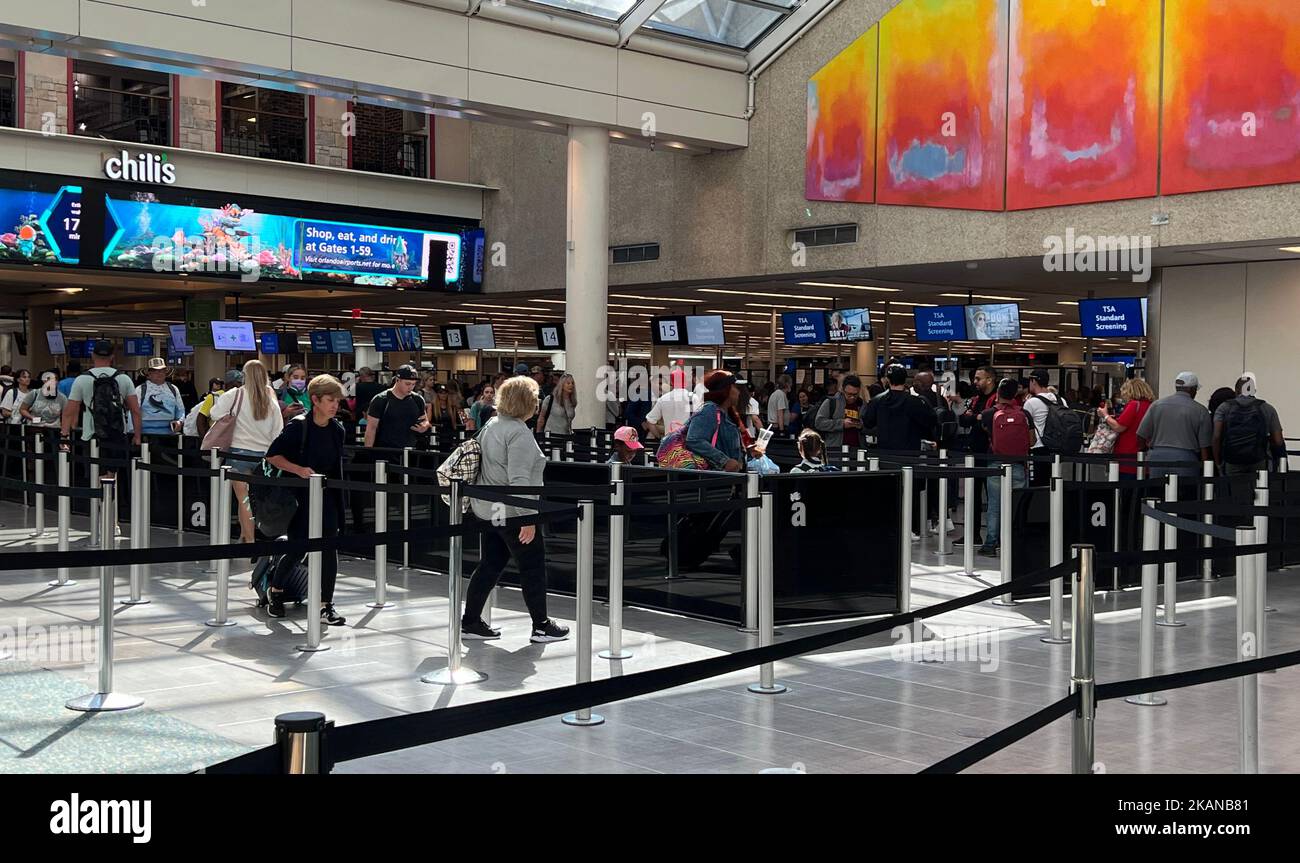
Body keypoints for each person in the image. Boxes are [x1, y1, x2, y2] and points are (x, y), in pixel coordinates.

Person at [459, 375, 570, 643]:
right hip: (513, 511)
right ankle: (541, 625)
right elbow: (520, 480)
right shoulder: (519, 432)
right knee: (532, 566)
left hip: (488, 509)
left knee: (490, 564)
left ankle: (471, 620)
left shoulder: (491, 425)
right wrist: (528, 519)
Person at [264, 375, 348, 625]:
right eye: (330, 400)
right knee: (298, 547)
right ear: (316, 400)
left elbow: (335, 466)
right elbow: (273, 456)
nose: (335, 405)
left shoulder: (337, 430)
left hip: (327, 496)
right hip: (300, 497)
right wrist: (298, 470)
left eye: (337, 401)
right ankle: (276, 591)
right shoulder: (298, 426)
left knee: (328, 549)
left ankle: (326, 604)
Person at [210, 360, 283, 548]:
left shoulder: (235, 395)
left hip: (239, 454)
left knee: (244, 500)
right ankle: (245, 534)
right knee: (257, 499)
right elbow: (278, 431)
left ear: (245, 375)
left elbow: (214, 413)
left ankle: (249, 541)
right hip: (264, 456)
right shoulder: (271, 399)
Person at [863, 367, 937, 538]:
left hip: (884, 455)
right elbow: (930, 421)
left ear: (888, 380)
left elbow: (867, 422)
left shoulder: (877, 400)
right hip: (910, 454)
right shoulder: (916, 402)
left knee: (888, 490)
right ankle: (911, 528)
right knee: (911, 492)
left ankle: (888, 524)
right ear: (906, 381)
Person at [61, 340, 142, 479]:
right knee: (114, 475)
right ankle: (112, 498)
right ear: (112, 357)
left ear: (92, 355)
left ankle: (97, 498)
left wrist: (64, 436)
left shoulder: (82, 379)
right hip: (117, 434)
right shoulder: (124, 378)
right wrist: (137, 436)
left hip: (91, 434)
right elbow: (135, 411)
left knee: (94, 474)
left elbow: (69, 411)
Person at [980, 379, 1033, 555]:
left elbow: (986, 434)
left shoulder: (988, 414)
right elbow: (1031, 441)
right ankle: (1013, 542)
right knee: (1016, 506)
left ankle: (990, 544)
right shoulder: (1024, 414)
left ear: (998, 393)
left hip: (995, 463)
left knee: (994, 506)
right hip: (1018, 464)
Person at [1136, 371, 1212, 478]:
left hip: (1157, 457)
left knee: (1156, 491)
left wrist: (1144, 450)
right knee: (1185, 492)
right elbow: (1204, 446)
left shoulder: (1157, 405)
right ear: (1192, 389)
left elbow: (1141, 435)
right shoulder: (1200, 410)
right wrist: (1206, 470)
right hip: (1186, 458)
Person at [1214, 373, 1285, 476]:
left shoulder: (1224, 407)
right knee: (1259, 489)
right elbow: (1278, 441)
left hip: (1232, 460)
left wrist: (1218, 463)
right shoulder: (1267, 408)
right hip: (1258, 460)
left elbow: (1216, 437)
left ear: (1236, 391)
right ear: (1254, 391)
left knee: (1233, 490)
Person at [684, 370, 745, 472]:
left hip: (729, 478)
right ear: (727, 390)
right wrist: (725, 461)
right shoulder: (709, 410)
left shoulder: (727, 414)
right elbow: (694, 440)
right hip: (716, 478)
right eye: (735, 387)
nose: (739, 392)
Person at [1096, 378, 1154, 476]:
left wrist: (1105, 415)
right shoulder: (1151, 405)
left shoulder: (1133, 405)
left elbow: (1119, 427)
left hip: (1127, 457)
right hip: (1143, 457)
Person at [137, 358, 186, 445]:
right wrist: (134, 433)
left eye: (161, 371)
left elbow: (180, 410)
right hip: (146, 435)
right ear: (149, 373)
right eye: (155, 371)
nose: (159, 373)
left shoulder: (173, 389)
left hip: (169, 435)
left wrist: (180, 421)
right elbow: (133, 411)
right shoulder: (140, 390)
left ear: (165, 372)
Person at [813, 374, 865, 451]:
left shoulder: (861, 404)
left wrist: (861, 425)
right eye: (849, 394)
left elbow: (868, 426)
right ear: (843, 390)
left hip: (857, 449)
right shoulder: (831, 402)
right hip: (835, 449)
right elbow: (819, 423)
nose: (852, 397)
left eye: (855, 394)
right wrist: (842, 424)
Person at [645, 367, 696, 439]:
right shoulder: (694, 398)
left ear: (671, 382)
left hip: (669, 443)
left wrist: (660, 438)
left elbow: (650, 421)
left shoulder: (663, 399)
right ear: (685, 382)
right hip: (688, 442)